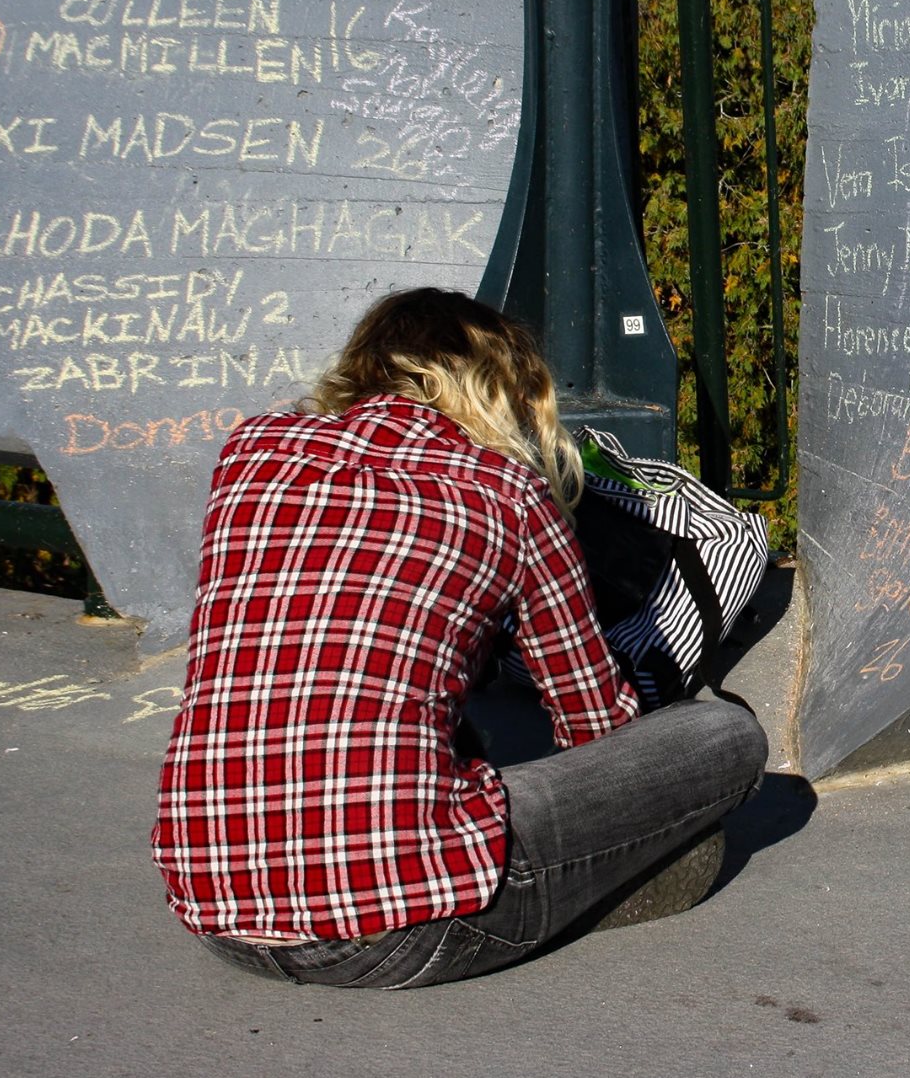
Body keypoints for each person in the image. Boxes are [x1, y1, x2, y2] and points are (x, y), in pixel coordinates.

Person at [151, 287, 766, 988]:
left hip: (213, 908)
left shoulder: (251, 450)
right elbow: (596, 727)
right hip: (394, 931)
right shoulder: (507, 490)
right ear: (497, 388)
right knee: (725, 739)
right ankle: (586, 885)